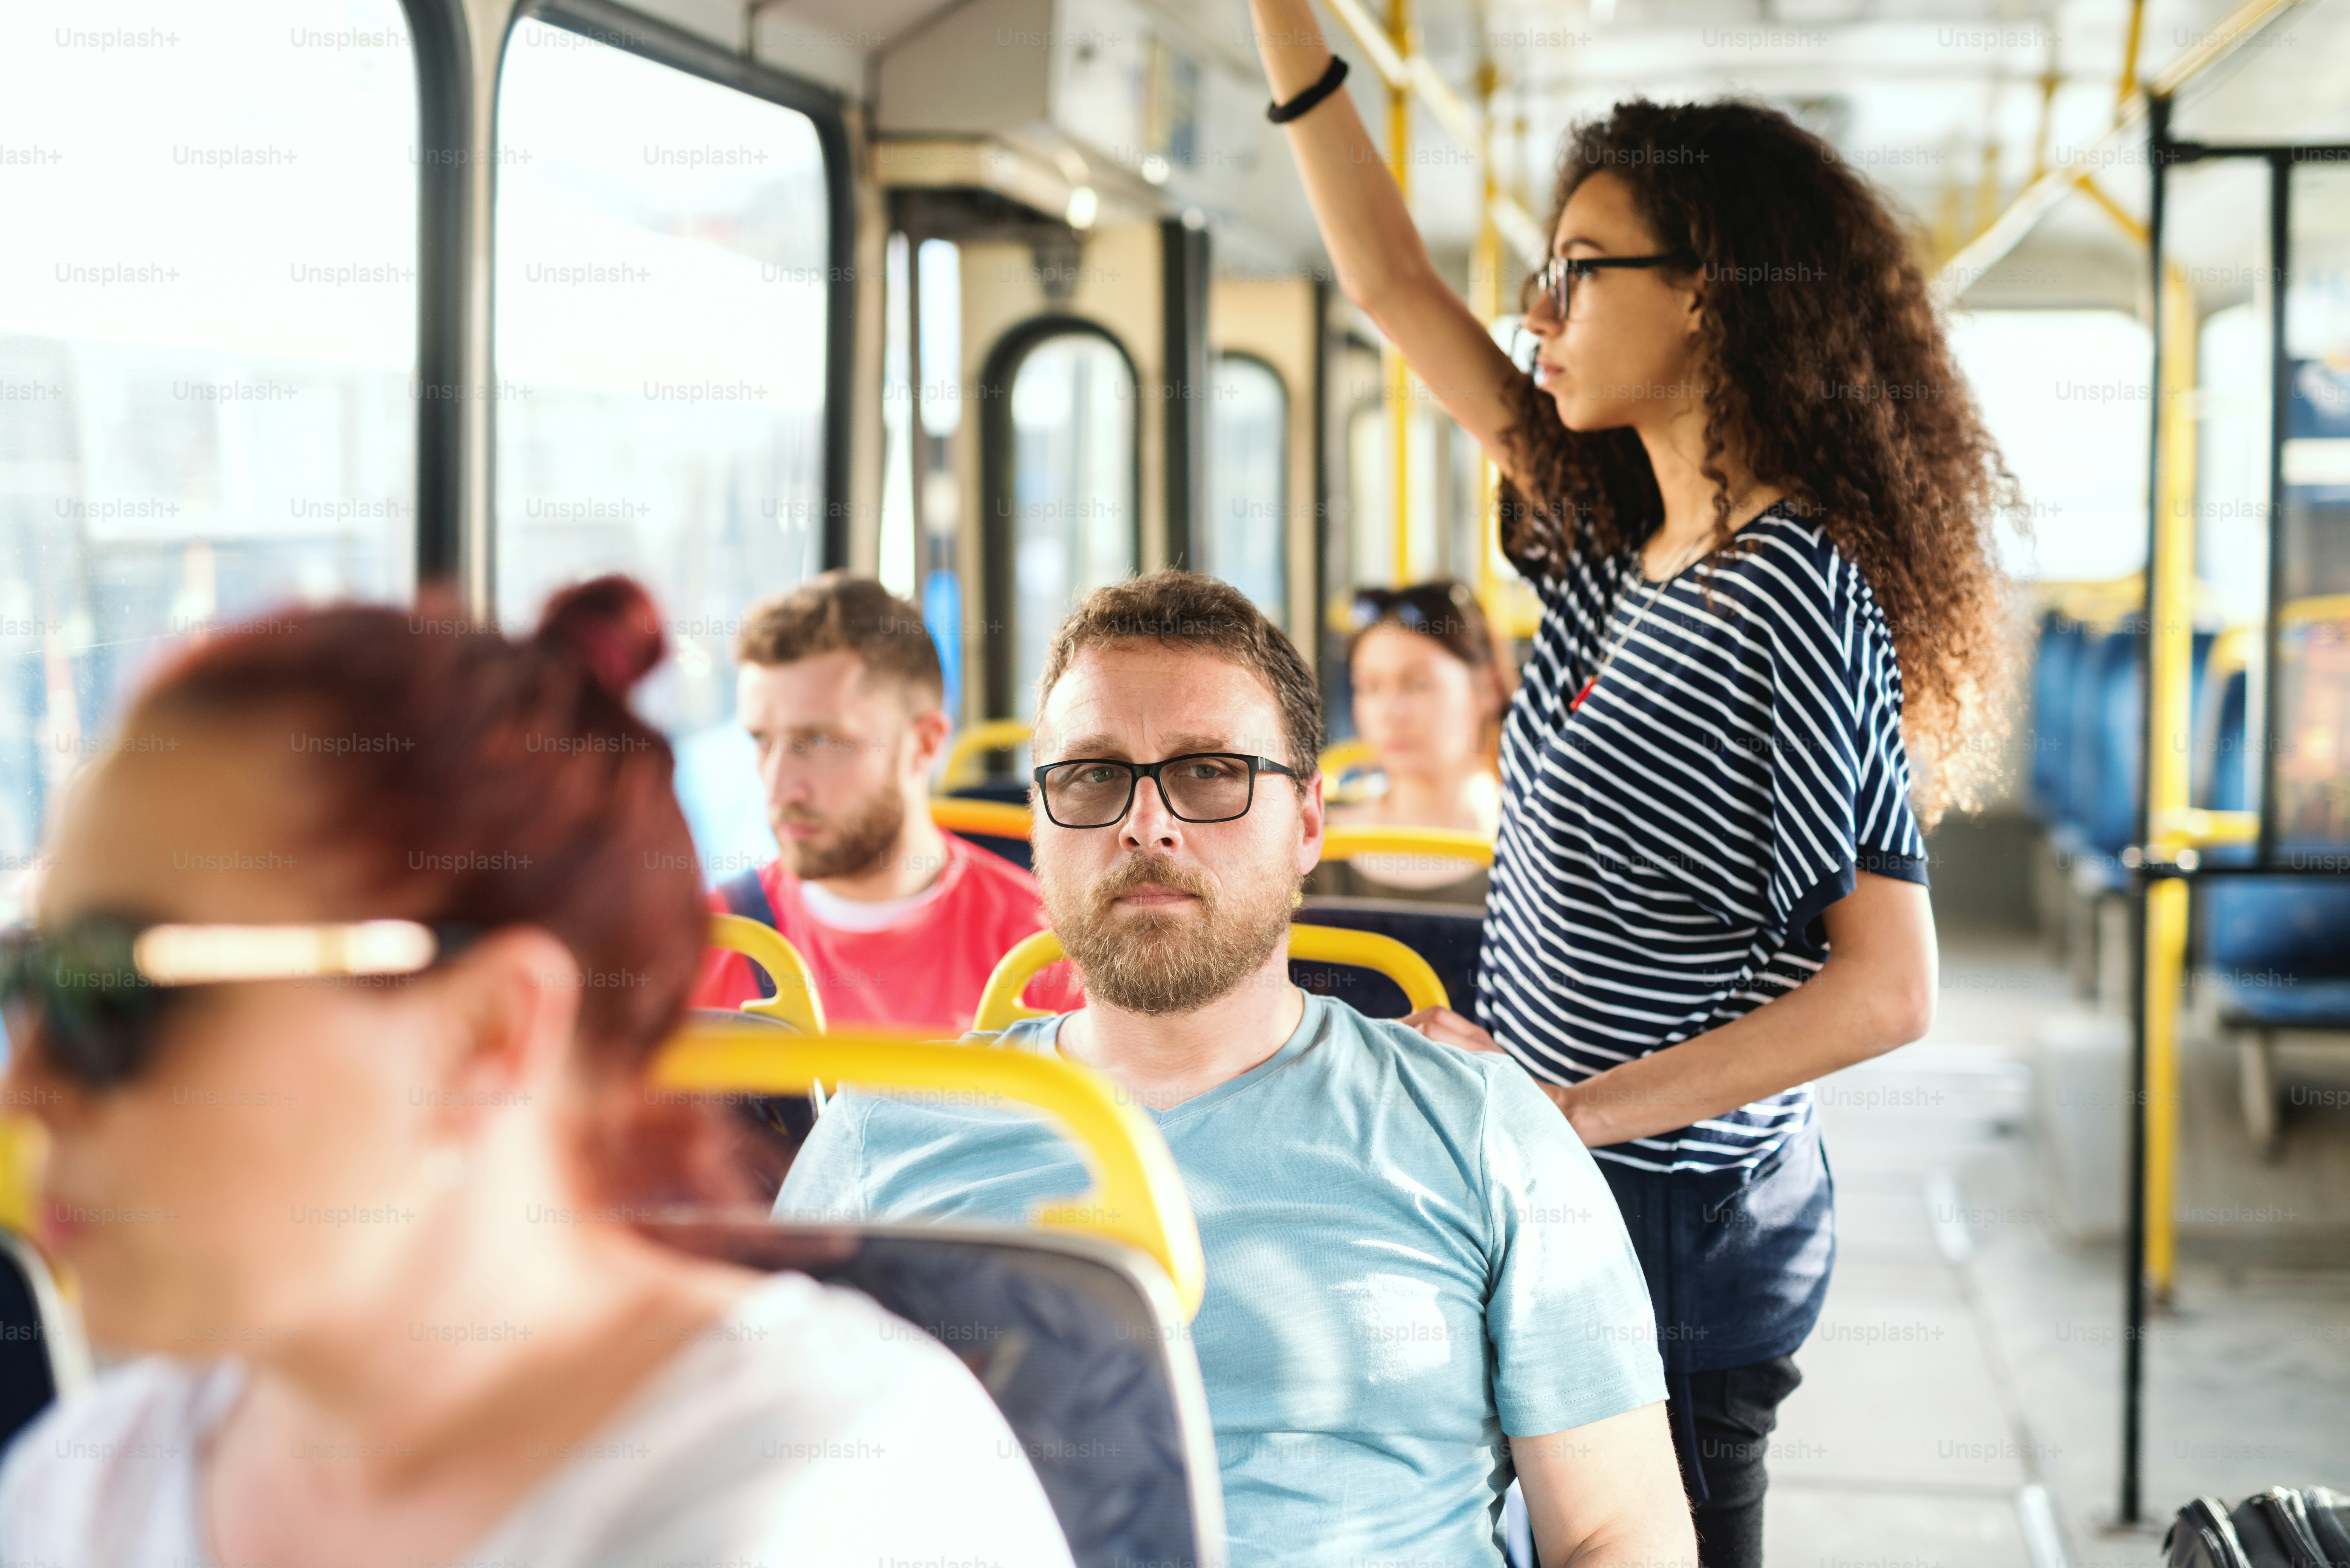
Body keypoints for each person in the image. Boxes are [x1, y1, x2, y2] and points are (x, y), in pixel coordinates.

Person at [1251, 17, 2013, 1563]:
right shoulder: (1617, 545)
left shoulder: (1790, 590)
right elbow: (1393, 287)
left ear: (1705, 289)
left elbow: (1883, 992)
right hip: (1577, 1171)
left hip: (1673, 1214)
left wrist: (1553, 1111)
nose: (1537, 313)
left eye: (1578, 269)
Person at [0, 579, 1074, 1568]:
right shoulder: (85, 1481)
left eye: (115, 991)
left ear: (484, 1036)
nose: (24, 1096)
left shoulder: (826, 1494)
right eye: (27, 982)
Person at [780, 570, 1697, 1568]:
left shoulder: (1478, 1129)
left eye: (1208, 770)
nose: (1146, 825)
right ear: (1040, 829)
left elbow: (1618, 1529)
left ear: (1308, 821)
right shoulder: (887, 1133)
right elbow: (772, 1494)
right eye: (1090, 775)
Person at [691, 572, 1078, 1032]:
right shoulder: (704, 946)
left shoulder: (1045, 954)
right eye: (762, 741)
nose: (778, 788)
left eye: (818, 742)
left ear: (925, 744)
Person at [1305, 579, 1513, 907]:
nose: (1390, 713)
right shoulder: (1311, 841)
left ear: (1488, 687)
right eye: (1370, 687)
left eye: (1418, 685)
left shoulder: (1542, 845)